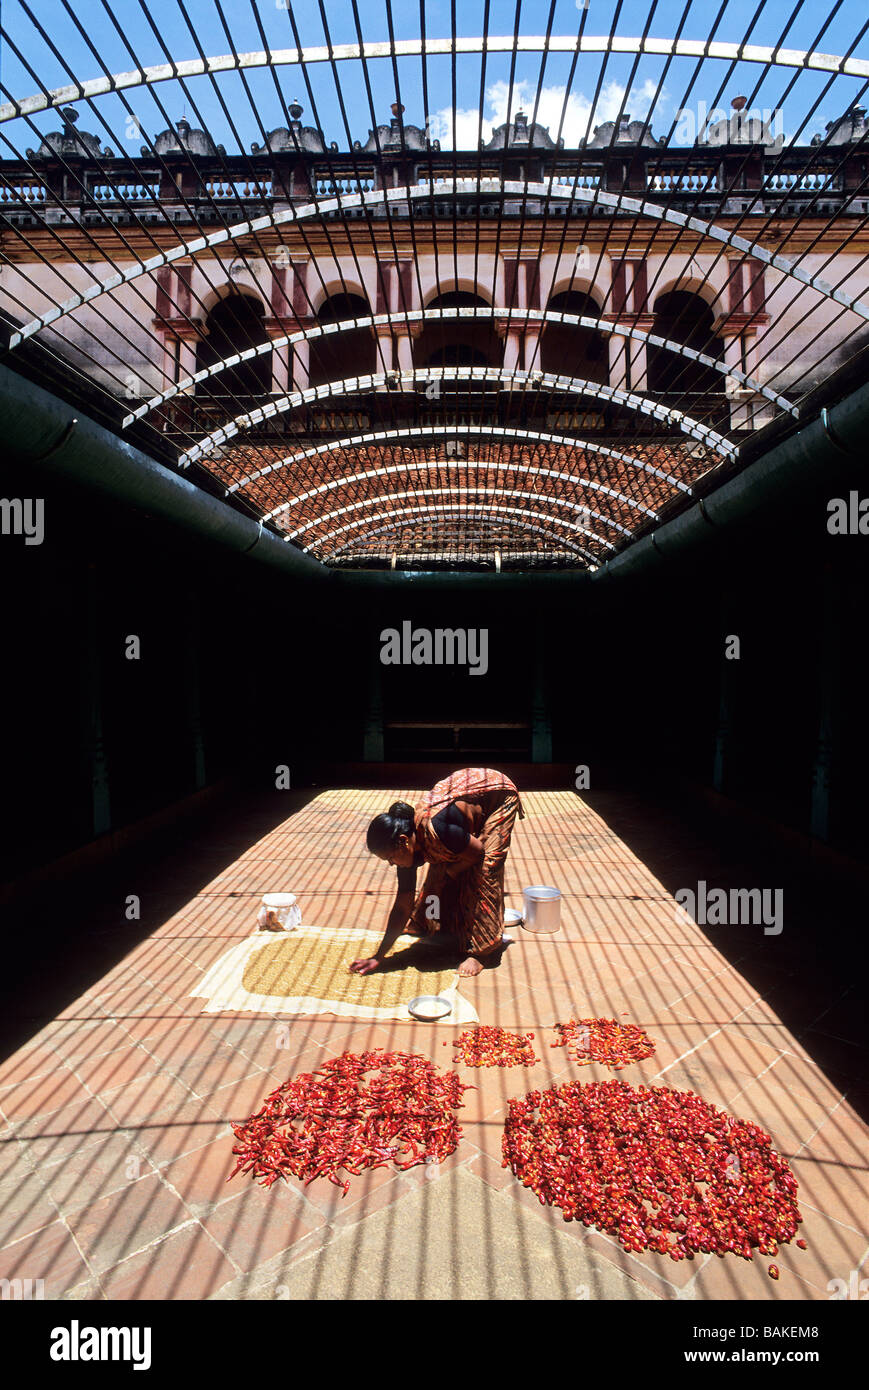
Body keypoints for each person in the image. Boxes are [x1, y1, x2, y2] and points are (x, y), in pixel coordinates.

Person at [350, 768, 524, 979]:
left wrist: (453, 870)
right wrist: (379, 956)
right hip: (462, 805)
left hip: (497, 794)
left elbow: (478, 853)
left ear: (404, 842)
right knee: (440, 866)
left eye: (390, 859)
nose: (391, 864)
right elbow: (402, 905)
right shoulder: (406, 847)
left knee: (485, 870)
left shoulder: (437, 830)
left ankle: (482, 951)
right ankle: (430, 922)